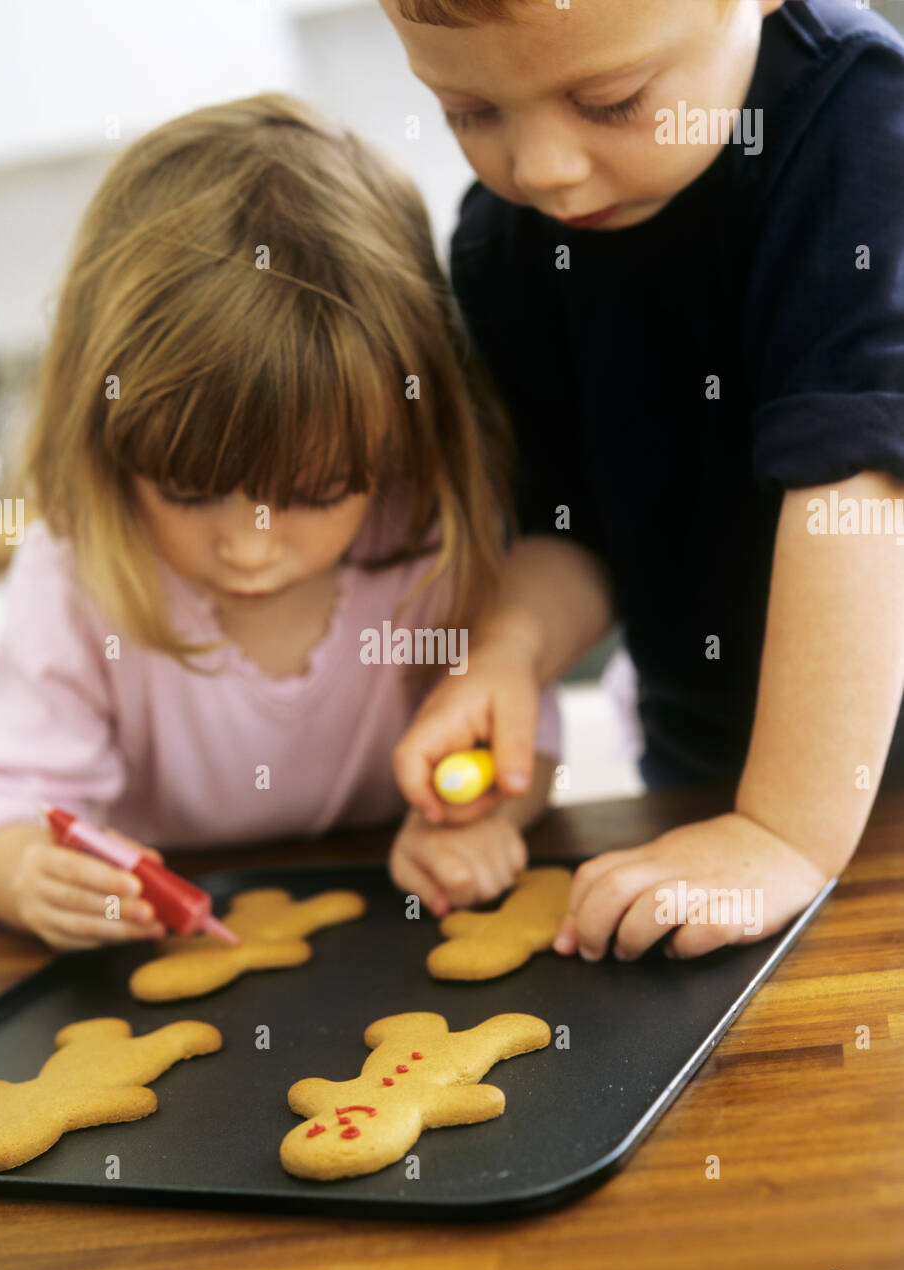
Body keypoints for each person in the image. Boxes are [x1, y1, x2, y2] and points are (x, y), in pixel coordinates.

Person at [0, 92, 560, 950]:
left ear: (400, 442)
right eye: (189, 491)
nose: (249, 546)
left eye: (314, 497)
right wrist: (24, 874)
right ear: (110, 438)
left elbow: (522, 752)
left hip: (397, 939)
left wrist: (477, 819)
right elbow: (5, 801)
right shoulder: (76, 573)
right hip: (157, 956)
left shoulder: (430, 541)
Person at [383, 0, 904, 958]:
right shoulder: (504, 243)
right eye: (471, 112)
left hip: (825, 809)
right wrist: (511, 650)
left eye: (611, 100)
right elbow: (566, 530)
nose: (541, 169)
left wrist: (784, 831)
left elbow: (857, 488)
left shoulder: (862, 122)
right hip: (716, 785)